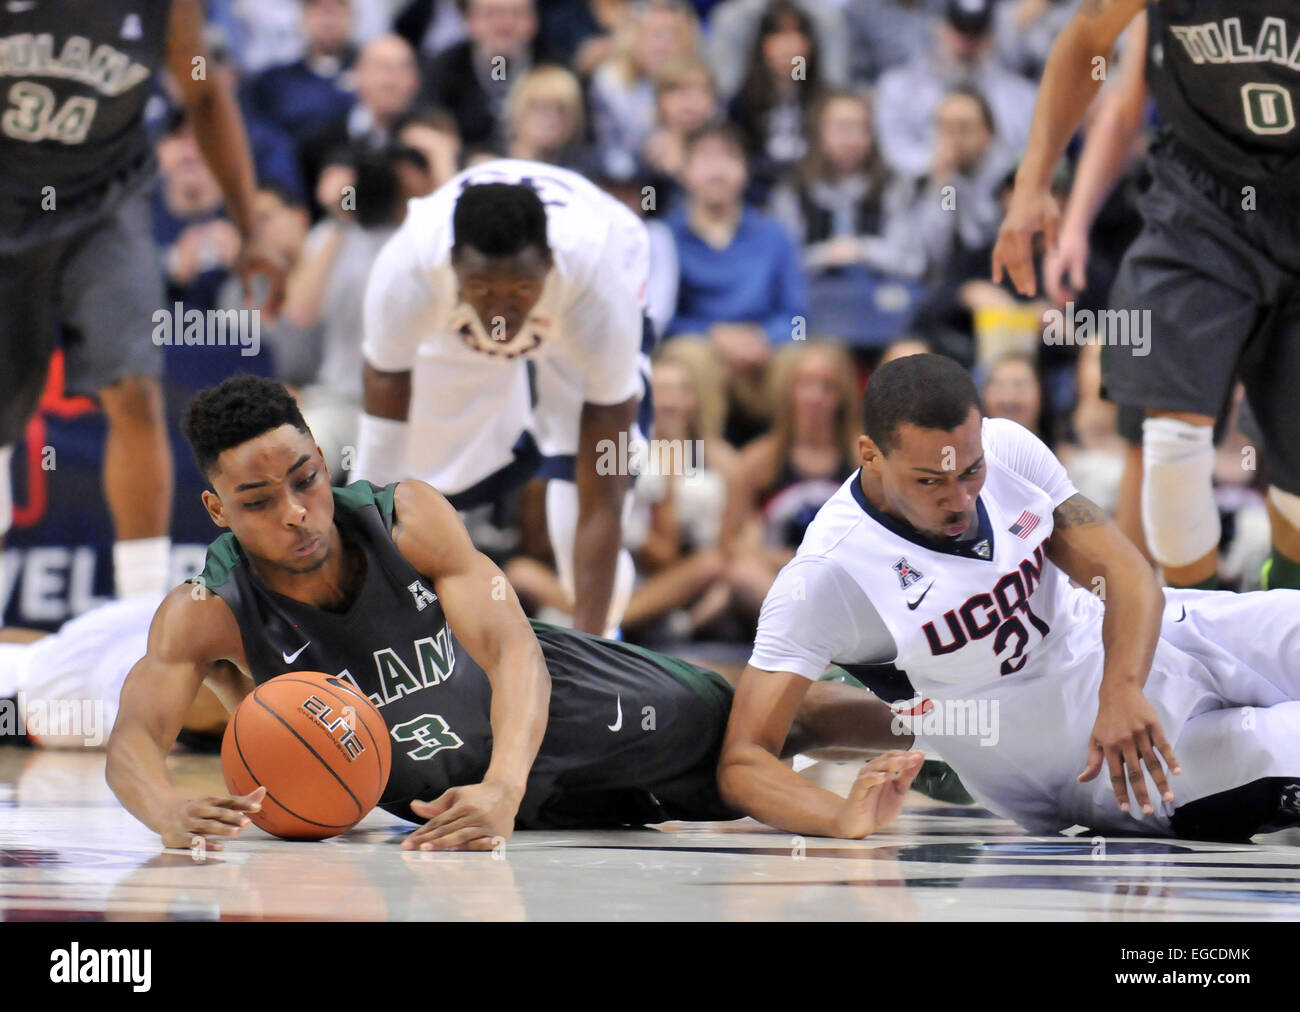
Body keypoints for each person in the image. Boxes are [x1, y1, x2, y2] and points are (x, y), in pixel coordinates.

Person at [104, 375, 924, 851]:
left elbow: (510, 651)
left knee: (775, 720)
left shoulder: (407, 518)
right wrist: (167, 810)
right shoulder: (206, 613)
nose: (296, 511)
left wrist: (502, 783)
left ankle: (950, 726)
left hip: (557, 708)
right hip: (492, 807)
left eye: (306, 478)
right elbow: (133, 742)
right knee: (727, 790)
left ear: (323, 458)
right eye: (258, 500)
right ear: (216, 510)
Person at [719, 354, 1300, 842]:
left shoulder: (1007, 448)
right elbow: (744, 759)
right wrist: (840, 816)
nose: (961, 498)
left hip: (1153, 642)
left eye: (970, 471)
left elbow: (1124, 571)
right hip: (1089, 762)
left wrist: (1120, 687)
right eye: (931, 481)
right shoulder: (825, 576)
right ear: (870, 454)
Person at [992, 0, 1300, 593]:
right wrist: (1035, 185)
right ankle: (1205, 628)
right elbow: (1088, 44)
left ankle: (1279, 618)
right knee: (1169, 443)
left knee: (1294, 487)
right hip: (1202, 202)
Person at [0, 0, 286, 603]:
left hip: (106, 200)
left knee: (134, 387)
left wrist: (250, 228)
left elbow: (202, 93)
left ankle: (141, 618)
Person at [352, 159, 653, 637]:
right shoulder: (407, 272)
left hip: (578, 307)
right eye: (483, 289)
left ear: (549, 265)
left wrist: (592, 651)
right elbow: (377, 461)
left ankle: (602, 636)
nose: (501, 310)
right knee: (415, 482)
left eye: (520, 290)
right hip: (451, 322)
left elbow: (604, 489)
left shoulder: (599, 284)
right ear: (453, 265)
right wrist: (359, 610)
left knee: (580, 488)